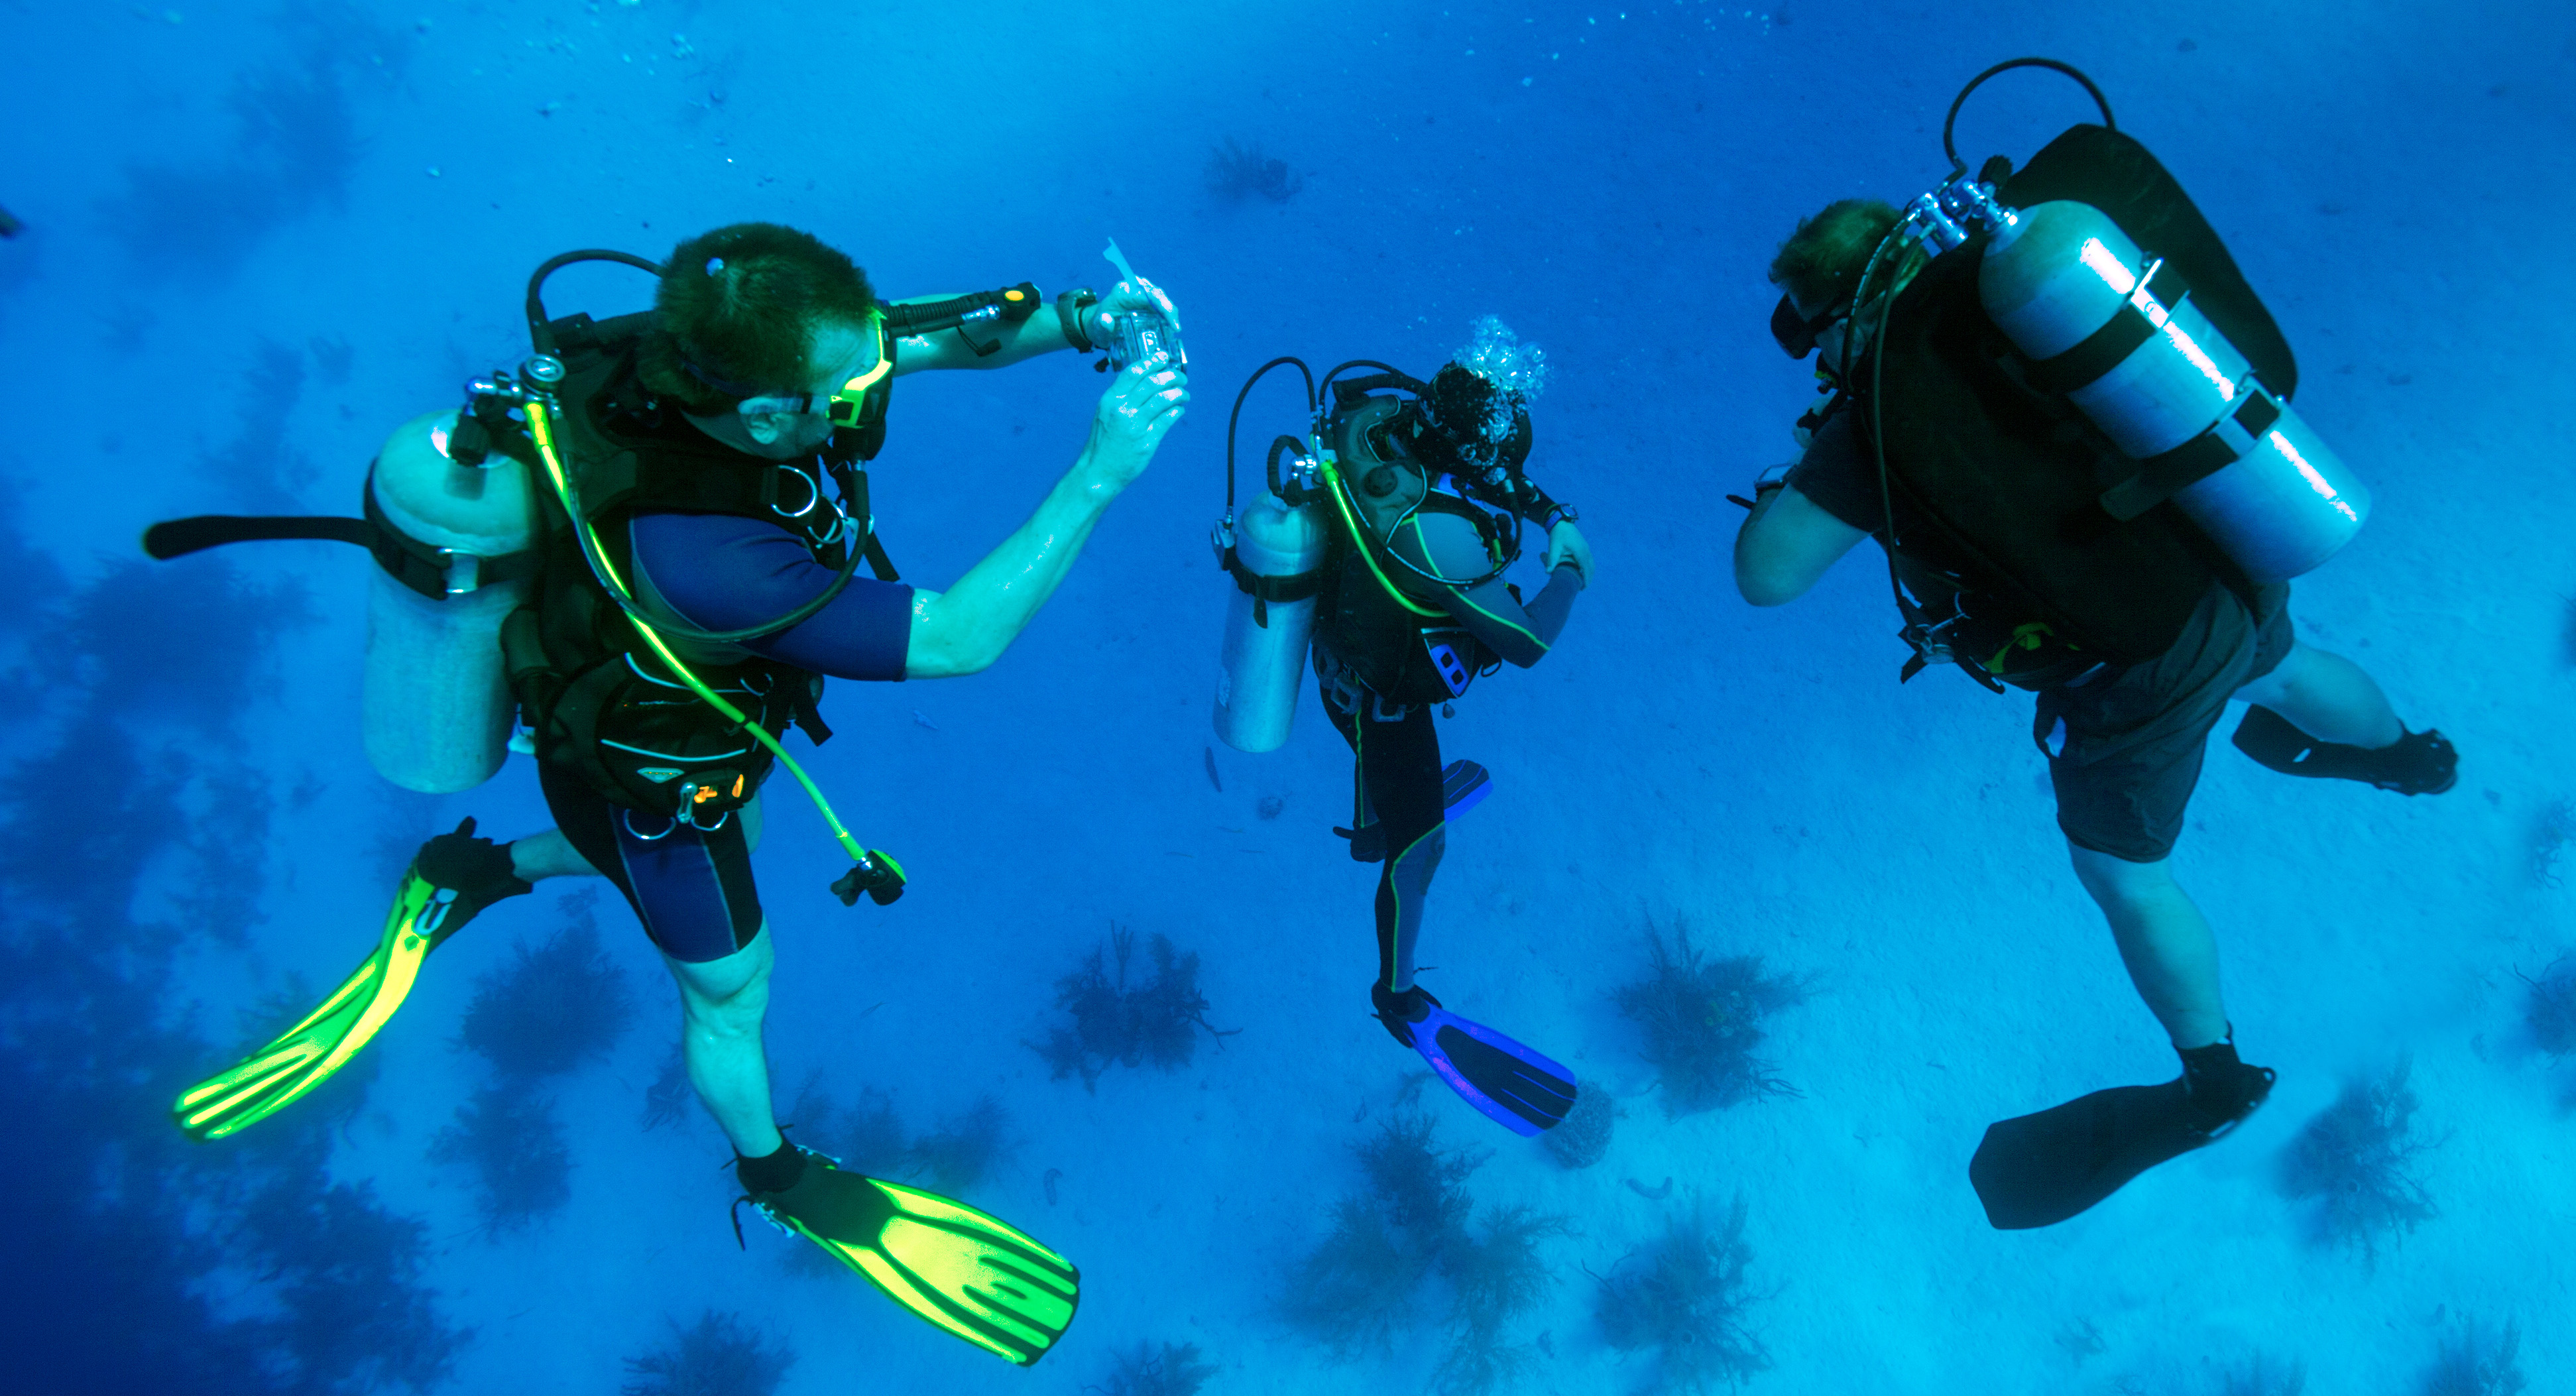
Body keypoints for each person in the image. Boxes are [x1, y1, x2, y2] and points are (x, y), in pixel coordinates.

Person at [161, 223, 1187, 1365]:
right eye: (841, 382)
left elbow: (920, 339)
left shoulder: (716, 351)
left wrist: (1087, 325)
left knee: (714, 830)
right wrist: (1104, 469)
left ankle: (476, 873)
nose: (872, 374)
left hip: (680, 735)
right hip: (660, 788)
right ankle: (774, 1170)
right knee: (732, 992)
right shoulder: (705, 557)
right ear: (765, 416)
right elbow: (956, 639)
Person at [1735, 187, 2457, 1229]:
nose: (1820, 356)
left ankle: (2214, 1078)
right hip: (2224, 558)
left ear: (1840, 309)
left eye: (1814, 330)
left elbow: (1766, 574)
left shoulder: (1886, 412)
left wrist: (1800, 474)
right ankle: (2409, 756)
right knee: (2285, 668)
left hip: (2136, 668)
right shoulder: (2018, 301)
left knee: (2121, 867)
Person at [1305, 320, 1594, 1134]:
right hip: (1383, 702)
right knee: (1423, 850)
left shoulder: (1376, 416)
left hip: (1337, 663)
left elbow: (1490, 472)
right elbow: (1527, 642)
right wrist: (1568, 566)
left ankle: (1371, 825)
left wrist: (1547, 509)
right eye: (1495, 464)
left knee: (1377, 765)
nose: (1504, 477)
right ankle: (1395, 996)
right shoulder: (1438, 535)